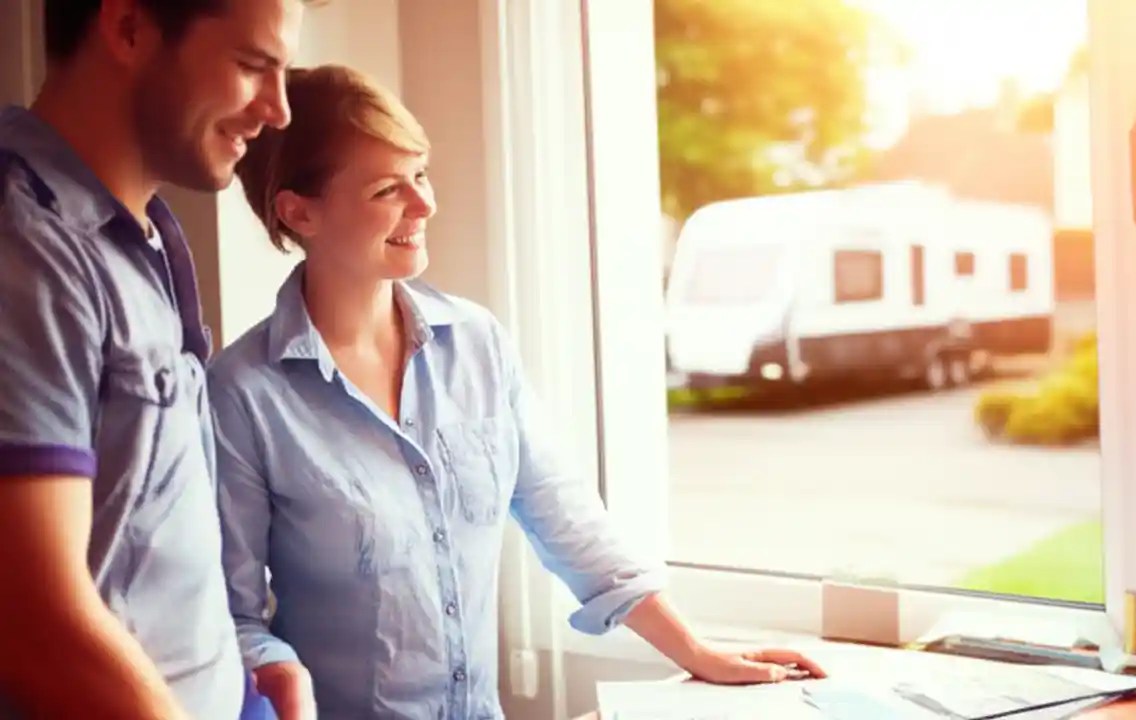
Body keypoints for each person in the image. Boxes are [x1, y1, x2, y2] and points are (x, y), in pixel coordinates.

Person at [212, 64, 827, 720]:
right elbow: (228, 617)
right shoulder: (242, 395)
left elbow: (565, 518)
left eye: (421, 174)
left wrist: (699, 652)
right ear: (299, 211)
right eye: (388, 189)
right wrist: (280, 677)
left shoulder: (477, 345)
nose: (424, 204)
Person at [0, 1, 310, 717]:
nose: (279, 110)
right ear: (128, 27)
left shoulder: (139, 238)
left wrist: (242, 673)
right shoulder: (27, 247)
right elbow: (31, 623)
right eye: (252, 65)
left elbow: (137, 552)